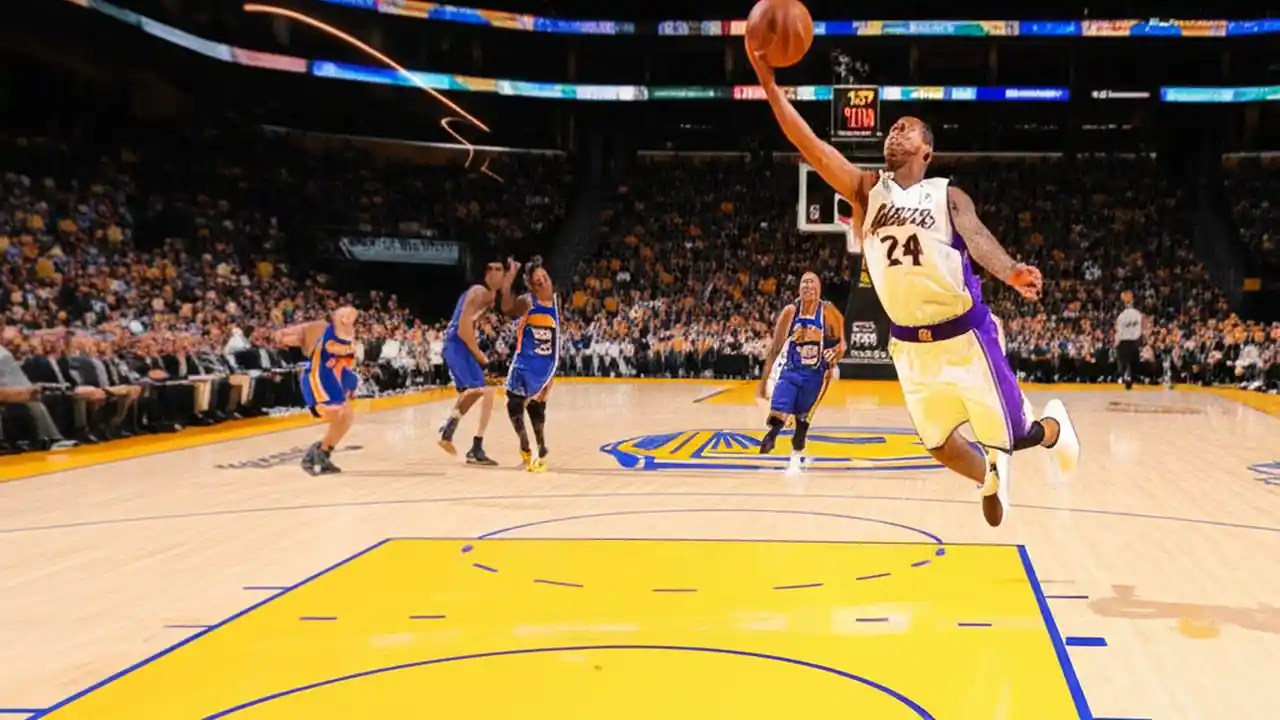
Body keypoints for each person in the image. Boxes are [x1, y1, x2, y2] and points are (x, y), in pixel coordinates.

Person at [746, 39, 1079, 526]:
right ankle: (991, 475)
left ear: (926, 148)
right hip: (908, 343)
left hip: (965, 337)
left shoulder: (946, 195)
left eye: (905, 129)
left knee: (1016, 434)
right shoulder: (865, 190)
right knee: (940, 445)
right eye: (892, 128)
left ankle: (1054, 428)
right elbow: (811, 147)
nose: (894, 132)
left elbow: (977, 236)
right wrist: (771, 86)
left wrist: (1010, 269)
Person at [757, 272, 846, 474]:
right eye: (804, 282)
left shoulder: (828, 311)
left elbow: (842, 343)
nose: (808, 286)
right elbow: (775, 347)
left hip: (817, 373)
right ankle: (771, 437)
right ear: (798, 288)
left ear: (819, 288)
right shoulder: (790, 311)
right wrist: (762, 383)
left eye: (812, 282)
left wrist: (838, 351)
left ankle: (797, 452)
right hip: (792, 369)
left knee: (803, 420)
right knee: (778, 413)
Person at [275, 306, 360, 475]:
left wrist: (350, 383)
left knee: (347, 417)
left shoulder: (349, 335)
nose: (350, 316)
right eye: (345, 314)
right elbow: (287, 336)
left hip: (335, 378)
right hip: (317, 378)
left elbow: (345, 361)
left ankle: (322, 452)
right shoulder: (323, 328)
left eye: (352, 315)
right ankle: (314, 454)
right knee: (337, 413)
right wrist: (285, 332)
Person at [438, 260, 506, 466]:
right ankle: (448, 430)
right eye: (491, 269)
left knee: (486, 391)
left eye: (500, 270)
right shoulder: (477, 292)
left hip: (461, 345)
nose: (496, 273)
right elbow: (462, 329)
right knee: (477, 389)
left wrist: (484, 332)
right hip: (456, 345)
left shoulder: (489, 296)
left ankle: (471, 443)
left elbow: (469, 322)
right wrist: (482, 357)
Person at [499, 256, 559, 473]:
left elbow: (556, 343)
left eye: (545, 277)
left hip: (543, 367)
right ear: (532, 286)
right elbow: (506, 307)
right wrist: (509, 278)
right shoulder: (528, 301)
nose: (543, 282)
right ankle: (526, 446)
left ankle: (540, 447)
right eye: (537, 280)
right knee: (514, 405)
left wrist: (551, 375)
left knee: (537, 408)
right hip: (524, 364)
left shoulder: (556, 304)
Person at [1114, 290, 1144, 390]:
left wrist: (1117, 342)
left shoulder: (1121, 316)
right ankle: (1129, 378)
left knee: (1125, 362)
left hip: (1124, 341)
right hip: (1133, 341)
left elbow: (1119, 331)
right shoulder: (1138, 314)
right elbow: (1140, 328)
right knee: (1131, 363)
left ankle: (1124, 377)